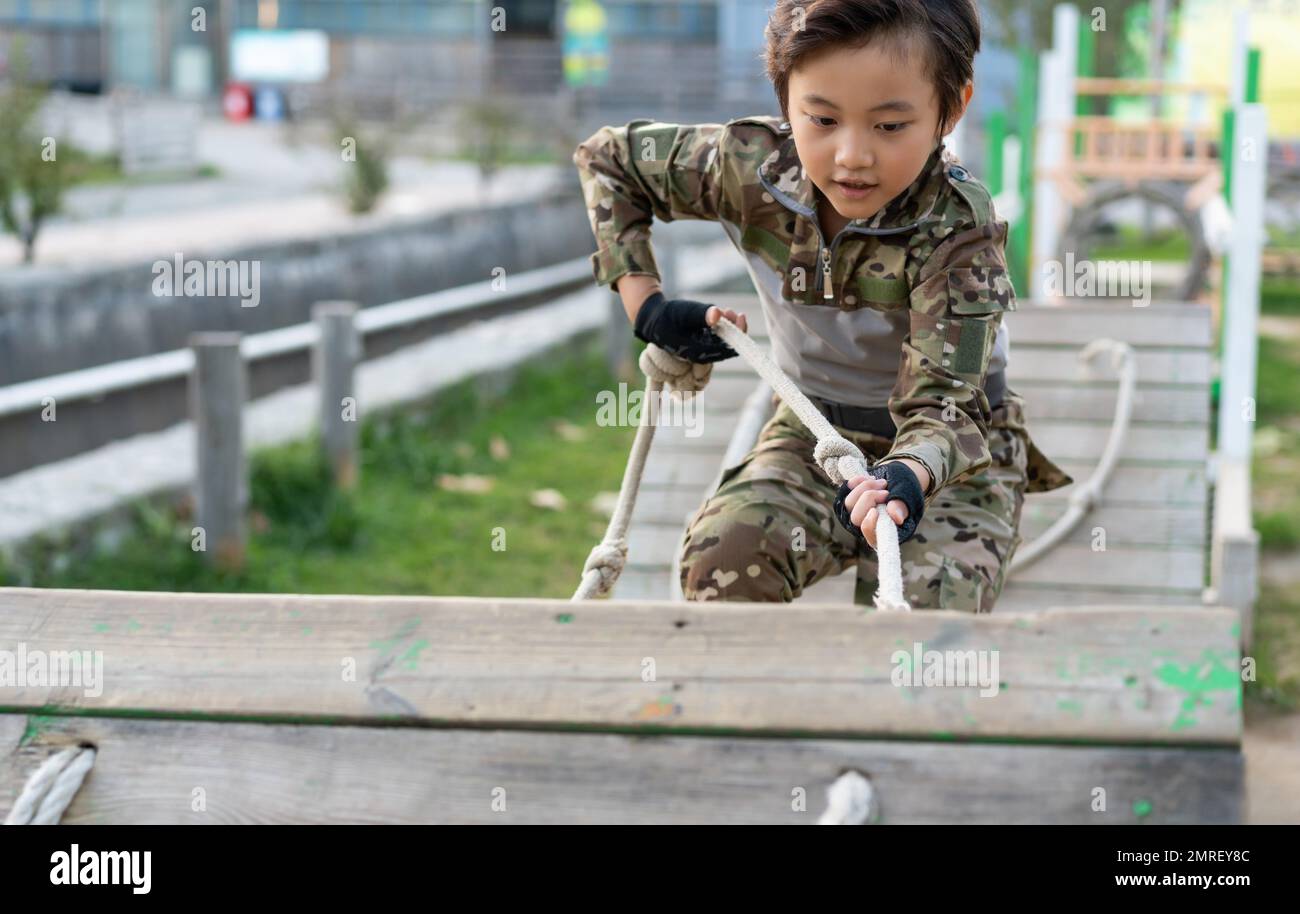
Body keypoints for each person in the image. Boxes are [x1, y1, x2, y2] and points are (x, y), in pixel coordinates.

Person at [572, 0, 1073, 611]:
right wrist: (647, 307)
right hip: (814, 432)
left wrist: (909, 473)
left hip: (947, 457)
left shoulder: (959, 233)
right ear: (786, 100)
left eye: (890, 126)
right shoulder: (749, 168)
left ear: (952, 107)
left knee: (924, 626)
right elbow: (611, 161)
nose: (852, 155)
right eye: (823, 119)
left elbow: (945, 406)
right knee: (723, 560)